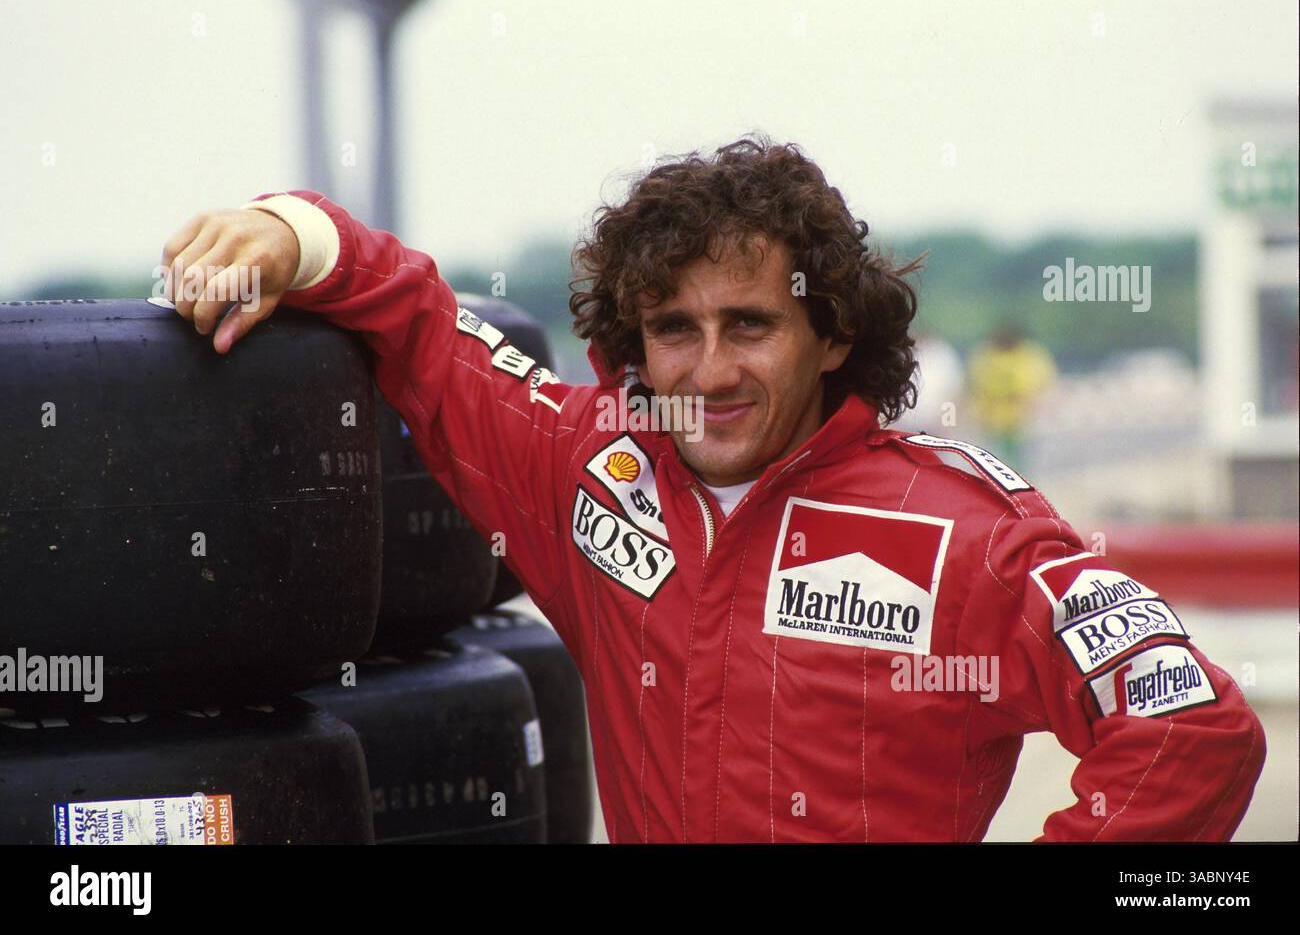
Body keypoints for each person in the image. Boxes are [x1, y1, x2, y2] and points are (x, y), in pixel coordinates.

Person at [159, 136, 1264, 843]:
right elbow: (423, 325)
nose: (709, 370)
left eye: (750, 325)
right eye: (673, 330)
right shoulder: (586, 465)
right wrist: (287, 230)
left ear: (832, 333)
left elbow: (1195, 734)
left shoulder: (968, 535)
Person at [967, 321, 1057, 472]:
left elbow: (1045, 386)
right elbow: (973, 386)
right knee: (995, 463)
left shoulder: (1030, 355)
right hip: (991, 422)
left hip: (1023, 423)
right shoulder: (985, 355)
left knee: (1021, 464)